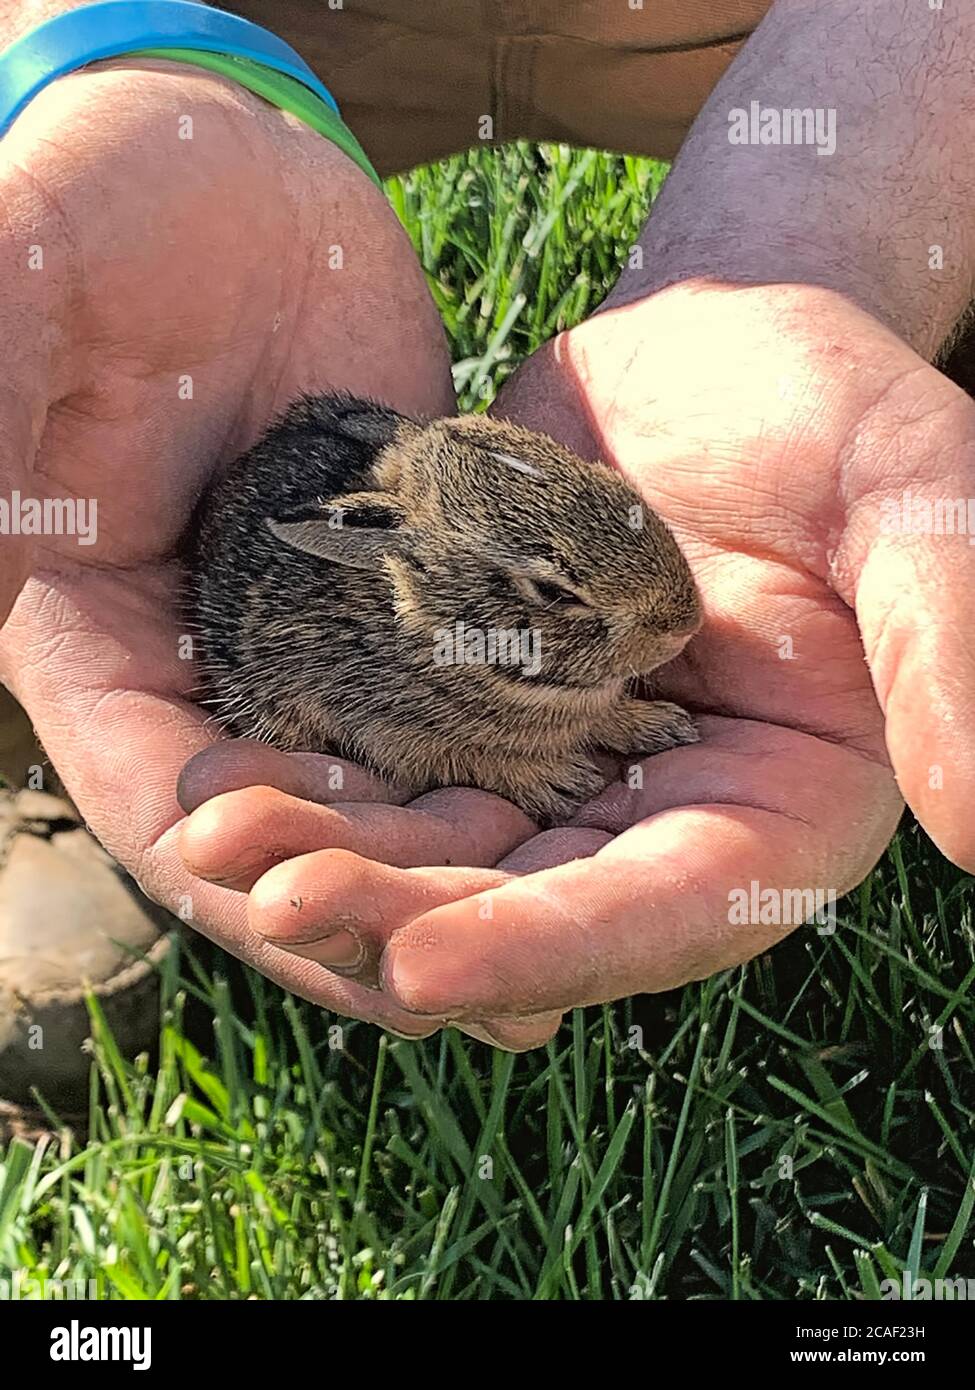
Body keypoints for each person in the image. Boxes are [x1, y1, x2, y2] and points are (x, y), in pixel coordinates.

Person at [2, 0, 975, 1100]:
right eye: (557, 593)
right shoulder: (413, 649)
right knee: (68, 479)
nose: (674, 620)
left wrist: (816, 261)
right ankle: (39, 768)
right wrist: (109, 51)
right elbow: (452, 724)